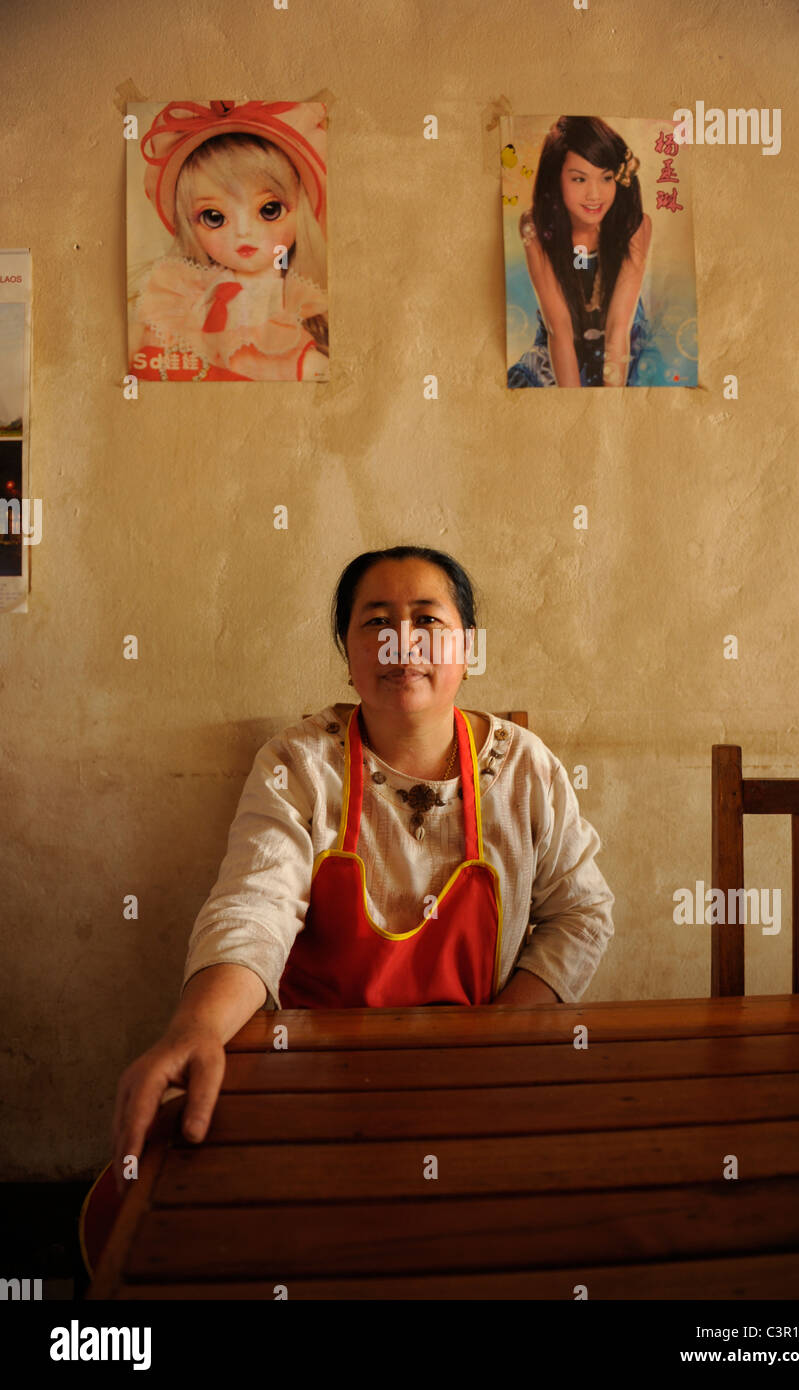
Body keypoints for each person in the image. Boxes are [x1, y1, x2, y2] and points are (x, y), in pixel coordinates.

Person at [82, 546, 615, 1272]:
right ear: (347, 652)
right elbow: (254, 904)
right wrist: (198, 1025)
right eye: (376, 622)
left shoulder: (525, 768)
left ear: (467, 648)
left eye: (427, 620)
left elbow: (579, 912)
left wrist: (503, 1035)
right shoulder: (299, 765)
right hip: (307, 1075)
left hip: (474, 1082)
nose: (402, 642)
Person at [127, 99, 329, 382]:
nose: (243, 233)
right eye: (214, 217)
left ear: (301, 209)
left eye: (269, 210)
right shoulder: (178, 293)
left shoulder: (299, 299)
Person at [508, 115, 653, 388]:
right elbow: (558, 329)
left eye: (606, 178)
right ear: (556, 178)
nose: (594, 195)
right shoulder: (537, 228)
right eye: (579, 179)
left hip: (624, 342)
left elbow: (617, 329)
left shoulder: (635, 226)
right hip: (560, 343)